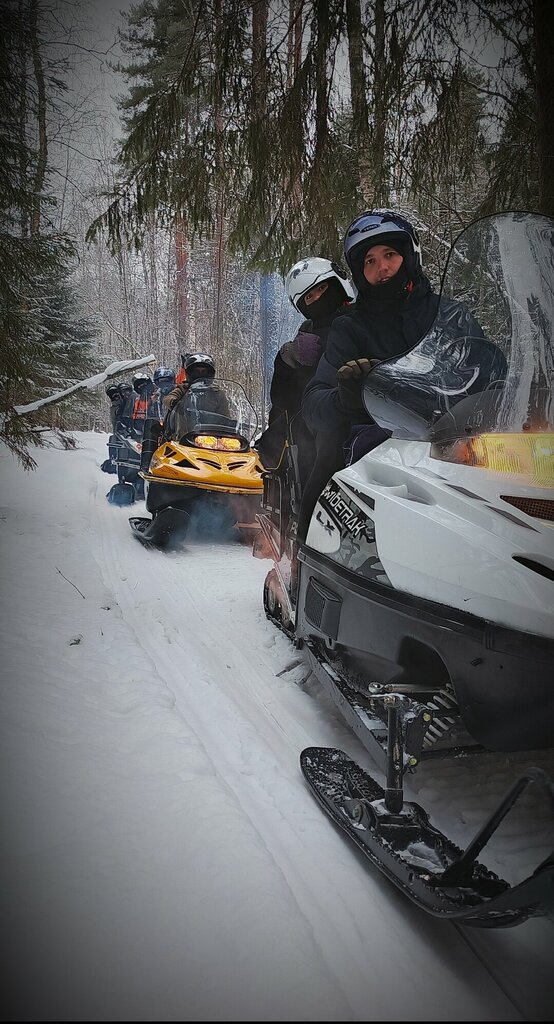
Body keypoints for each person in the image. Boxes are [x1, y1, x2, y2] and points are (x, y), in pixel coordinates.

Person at [299, 209, 491, 539]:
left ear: (408, 256)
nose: (382, 268)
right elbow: (313, 404)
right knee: (326, 468)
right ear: (359, 273)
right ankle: (306, 552)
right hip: (383, 446)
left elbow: (489, 370)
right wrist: (346, 397)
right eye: (369, 262)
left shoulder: (449, 315)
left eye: (389, 255)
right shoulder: (350, 328)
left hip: (457, 440)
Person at [256, 257, 354, 485]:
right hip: (321, 425)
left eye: (322, 288)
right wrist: (287, 362)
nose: (318, 298)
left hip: (370, 415)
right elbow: (284, 398)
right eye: (309, 297)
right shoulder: (307, 337)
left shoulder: (363, 321)